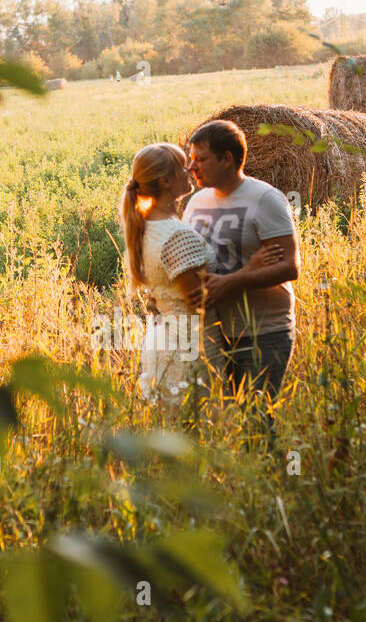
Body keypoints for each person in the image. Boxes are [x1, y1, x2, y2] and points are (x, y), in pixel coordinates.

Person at [119, 141, 280, 424]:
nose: (191, 170)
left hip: (164, 341)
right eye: (183, 167)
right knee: (203, 433)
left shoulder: (144, 227)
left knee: (177, 433)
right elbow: (200, 300)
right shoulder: (178, 235)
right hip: (191, 347)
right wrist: (249, 269)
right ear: (166, 181)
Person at [182, 119, 299, 430]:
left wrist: (230, 282)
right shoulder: (196, 202)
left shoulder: (265, 199)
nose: (192, 166)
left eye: (201, 159)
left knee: (258, 423)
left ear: (227, 159)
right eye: (191, 158)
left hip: (262, 331)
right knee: (231, 422)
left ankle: (275, 477)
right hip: (216, 333)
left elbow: (289, 267)